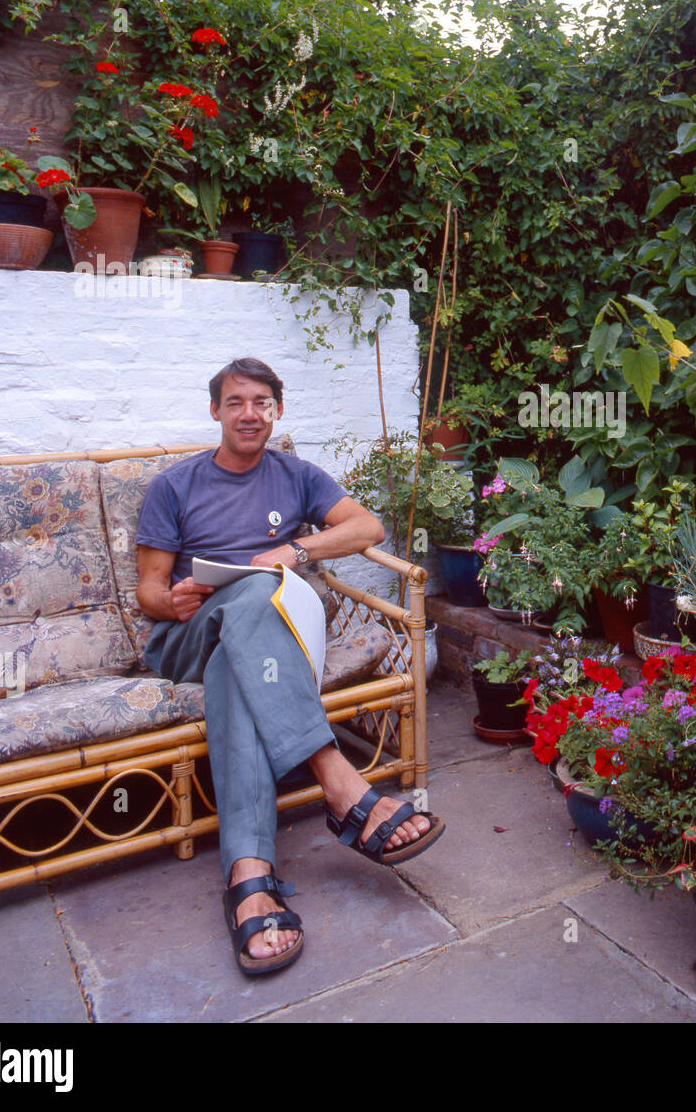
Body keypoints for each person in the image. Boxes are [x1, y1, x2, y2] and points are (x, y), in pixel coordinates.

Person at [135, 358, 444, 976]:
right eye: (235, 402)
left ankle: (250, 877)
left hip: (248, 648)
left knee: (238, 660)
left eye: (261, 402)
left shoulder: (297, 475)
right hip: (185, 638)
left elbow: (367, 525)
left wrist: (294, 549)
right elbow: (148, 590)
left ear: (277, 410)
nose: (249, 414)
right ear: (216, 411)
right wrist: (174, 598)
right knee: (250, 595)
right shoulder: (174, 486)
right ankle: (340, 782)